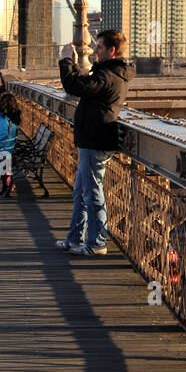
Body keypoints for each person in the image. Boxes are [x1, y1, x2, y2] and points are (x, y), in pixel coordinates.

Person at [56, 30, 129, 256]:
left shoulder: (109, 76)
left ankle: (97, 242)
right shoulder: (108, 74)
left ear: (111, 50)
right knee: (81, 191)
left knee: (92, 192)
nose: (94, 51)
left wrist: (66, 60)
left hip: (96, 140)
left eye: (98, 47)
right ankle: (75, 238)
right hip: (92, 138)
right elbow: (84, 84)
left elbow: (75, 87)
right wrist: (75, 66)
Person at [0, 91, 22, 196]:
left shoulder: (2, 118)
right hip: (11, 146)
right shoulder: (15, 116)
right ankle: (7, 183)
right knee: (4, 165)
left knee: (2, 166)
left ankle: (7, 184)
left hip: (3, 146)